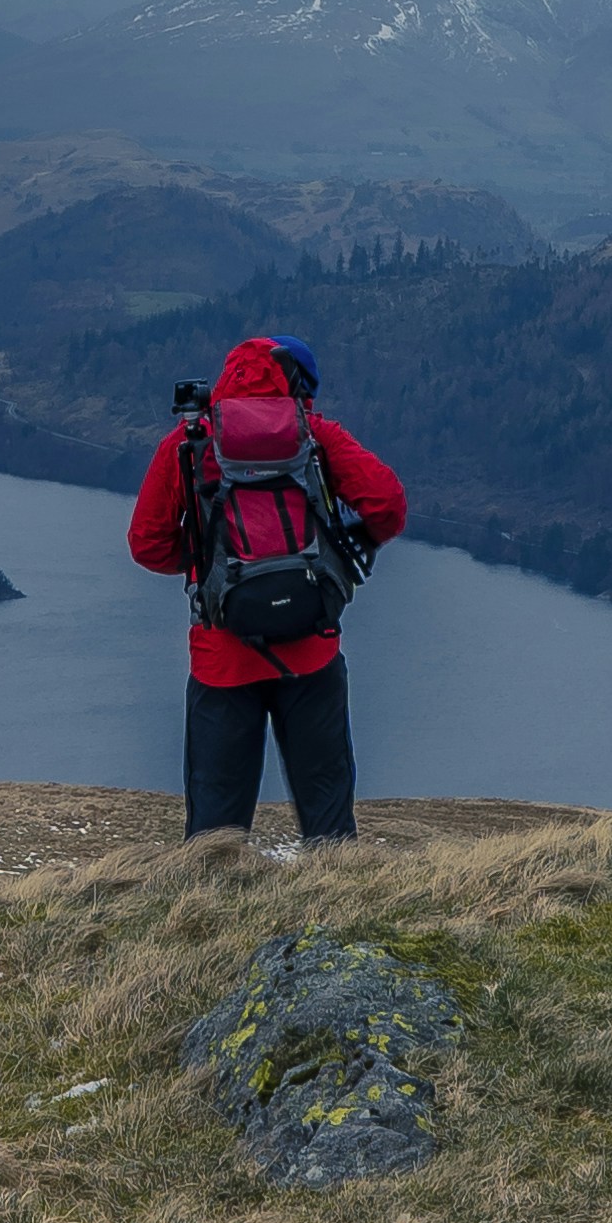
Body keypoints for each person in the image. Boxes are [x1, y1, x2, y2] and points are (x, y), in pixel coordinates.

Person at [129, 329, 408, 846]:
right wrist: (344, 547)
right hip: (312, 649)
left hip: (222, 656)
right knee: (327, 814)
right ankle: (338, 919)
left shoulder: (191, 442)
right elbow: (388, 504)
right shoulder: (315, 435)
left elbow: (146, 543)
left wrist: (207, 570)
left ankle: (210, 918)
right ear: (299, 386)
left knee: (216, 824)